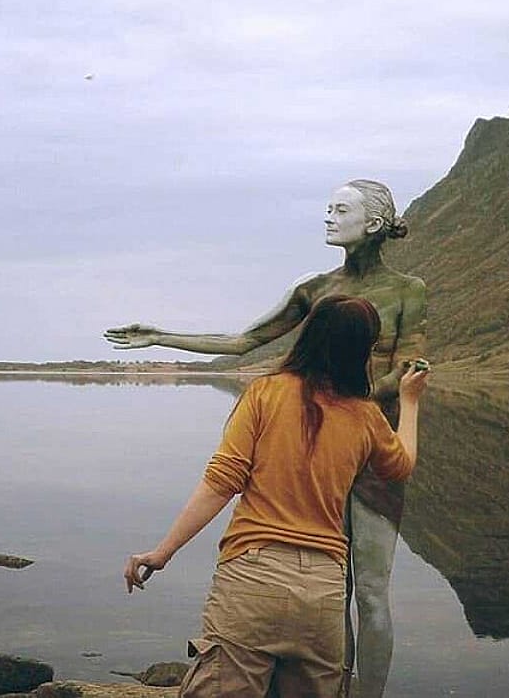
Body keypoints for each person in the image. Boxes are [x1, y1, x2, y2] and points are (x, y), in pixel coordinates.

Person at [107, 179, 426, 697]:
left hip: (366, 452)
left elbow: (409, 363)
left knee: (369, 590)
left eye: (339, 209)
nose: (327, 216)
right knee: (330, 585)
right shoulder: (314, 289)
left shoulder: (409, 291)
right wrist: (163, 335)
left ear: (373, 223)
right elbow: (243, 340)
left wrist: (353, 407)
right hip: (351, 435)